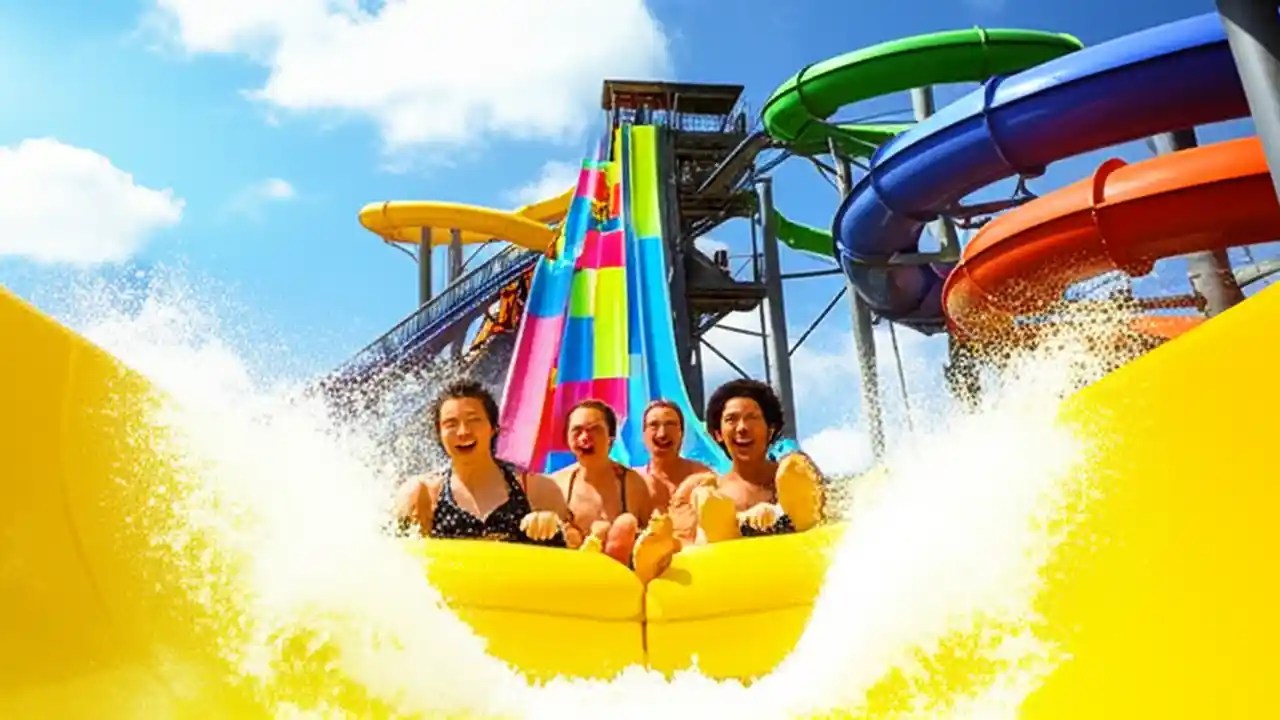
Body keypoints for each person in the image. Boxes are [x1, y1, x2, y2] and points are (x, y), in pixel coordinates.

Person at [393, 380, 571, 546]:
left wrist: (556, 528)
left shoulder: (538, 490)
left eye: (473, 420)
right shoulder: (423, 495)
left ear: (493, 428)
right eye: (451, 424)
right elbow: (399, 562)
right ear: (439, 433)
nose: (463, 432)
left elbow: (578, 553)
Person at [671, 379, 826, 544]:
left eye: (752, 417)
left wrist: (776, 512)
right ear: (718, 434)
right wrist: (742, 520)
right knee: (703, 499)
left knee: (799, 477)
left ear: (770, 430)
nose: (742, 428)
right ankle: (723, 528)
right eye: (731, 419)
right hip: (729, 563)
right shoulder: (713, 490)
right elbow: (684, 548)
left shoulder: (793, 478)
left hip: (798, 556)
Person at [549, 399, 677, 580]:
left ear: (611, 437)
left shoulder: (636, 485)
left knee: (626, 526)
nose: (585, 437)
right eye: (577, 431)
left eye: (594, 429)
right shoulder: (556, 485)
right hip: (572, 580)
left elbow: (658, 543)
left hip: (620, 584)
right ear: (567, 439)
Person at [635, 399, 713, 543]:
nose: (662, 433)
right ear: (644, 435)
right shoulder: (634, 481)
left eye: (670, 424)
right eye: (653, 425)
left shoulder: (702, 476)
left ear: (681, 433)